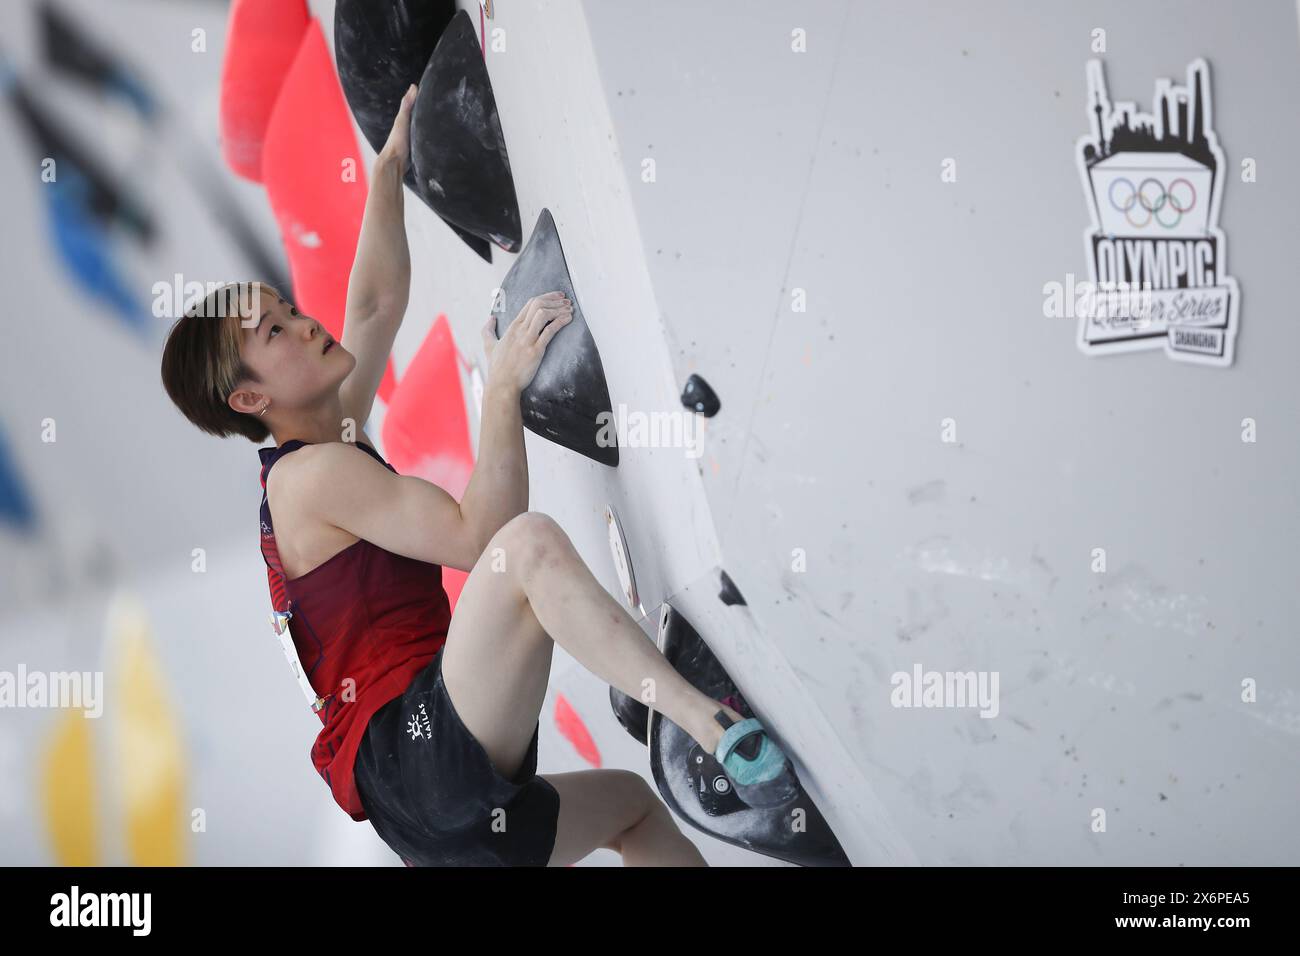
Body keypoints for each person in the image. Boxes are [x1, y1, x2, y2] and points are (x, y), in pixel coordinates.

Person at [160, 85, 797, 866]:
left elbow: (375, 304)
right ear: (251, 398)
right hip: (420, 759)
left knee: (632, 811)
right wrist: (499, 389)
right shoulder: (308, 480)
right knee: (525, 546)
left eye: (288, 309)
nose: (304, 323)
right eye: (276, 332)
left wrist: (389, 173)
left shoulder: (321, 438)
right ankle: (712, 726)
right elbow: (481, 539)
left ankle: (704, 732)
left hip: (430, 806)